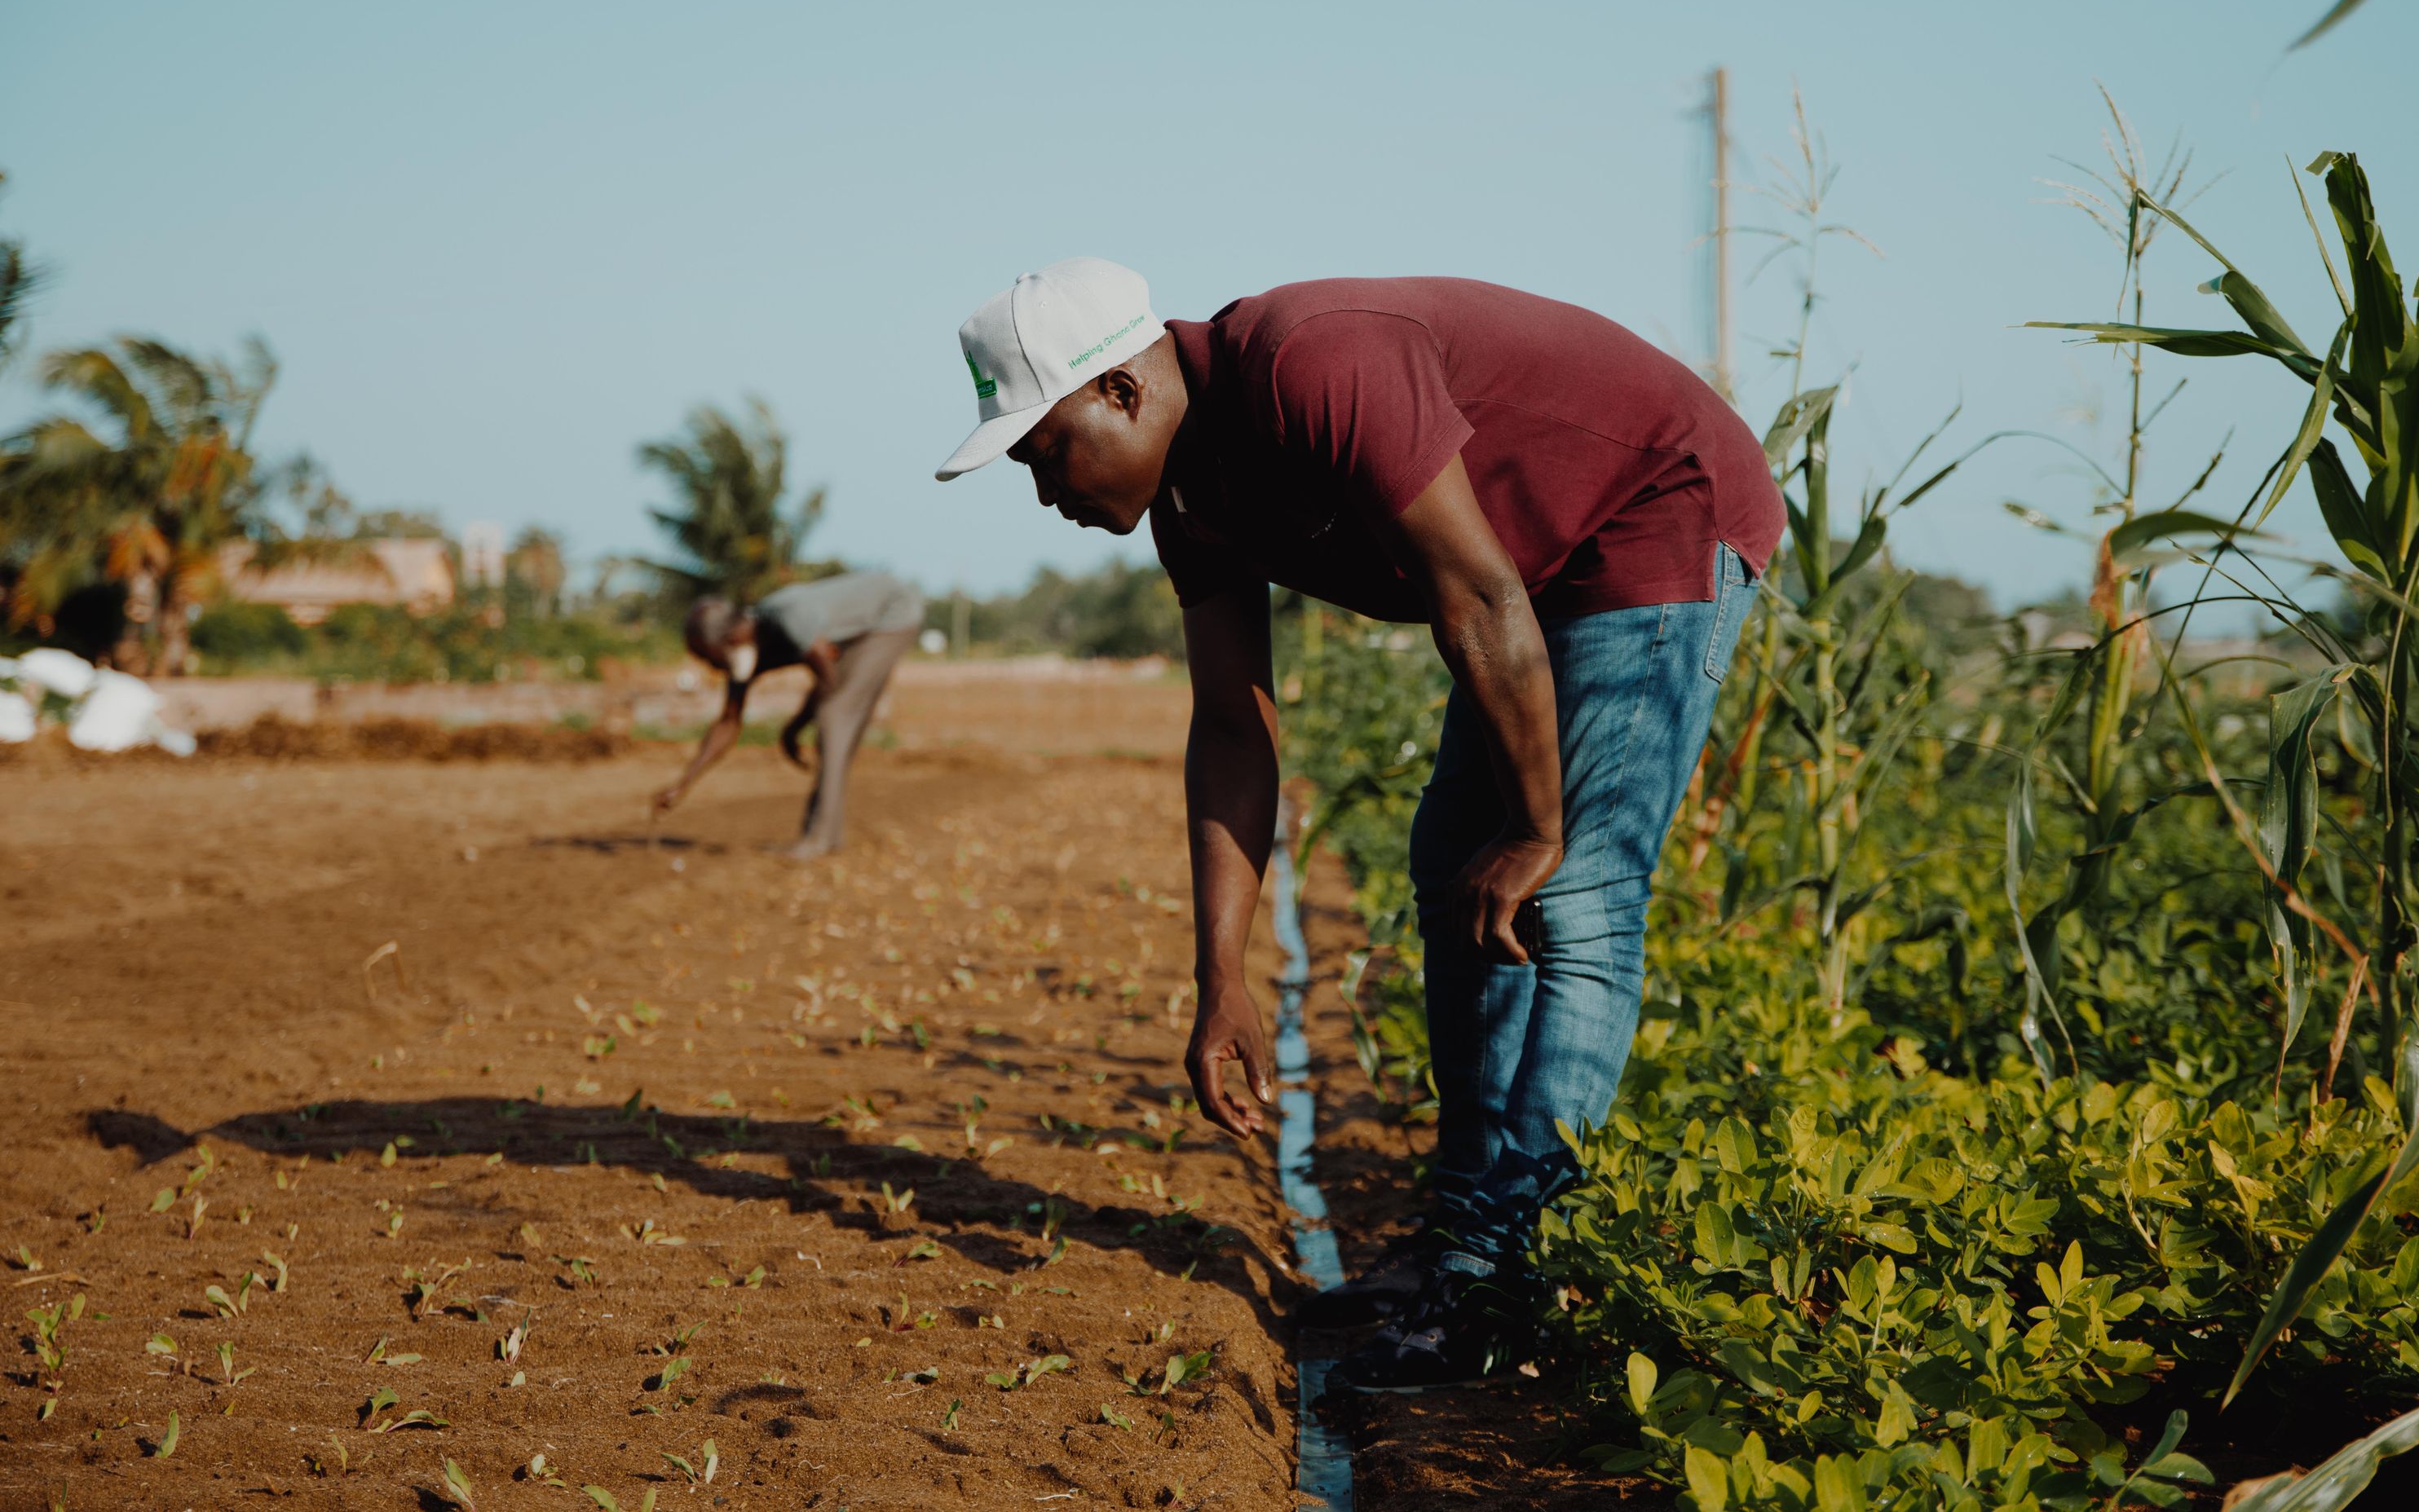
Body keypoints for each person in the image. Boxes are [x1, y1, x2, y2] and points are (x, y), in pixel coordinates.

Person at [935, 258, 1782, 1392]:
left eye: (1045, 455)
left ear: (1122, 392)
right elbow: (1234, 730)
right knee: (1452, 865)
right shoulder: (1190, 504)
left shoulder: (1312, 363)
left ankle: (1498, 1276)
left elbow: (1480, 599)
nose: (1049, 495)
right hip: (1527, 577)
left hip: (1653, 512)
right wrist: (1222, 977)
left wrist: (1540, 826)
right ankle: (1457, 1232)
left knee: (1571, 892)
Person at [652, 569, 925, 858]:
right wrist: (683, 784)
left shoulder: (788, 618)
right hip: (854, 633)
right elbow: (729, 723)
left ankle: (818, 838)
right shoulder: (742, 655)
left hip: (889, 614)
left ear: (728, 641)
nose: (710, 666)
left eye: (707, 656)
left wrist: (794, 726)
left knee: (834, 715)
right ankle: (827, 835)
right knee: (836, 722)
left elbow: (828, 682)